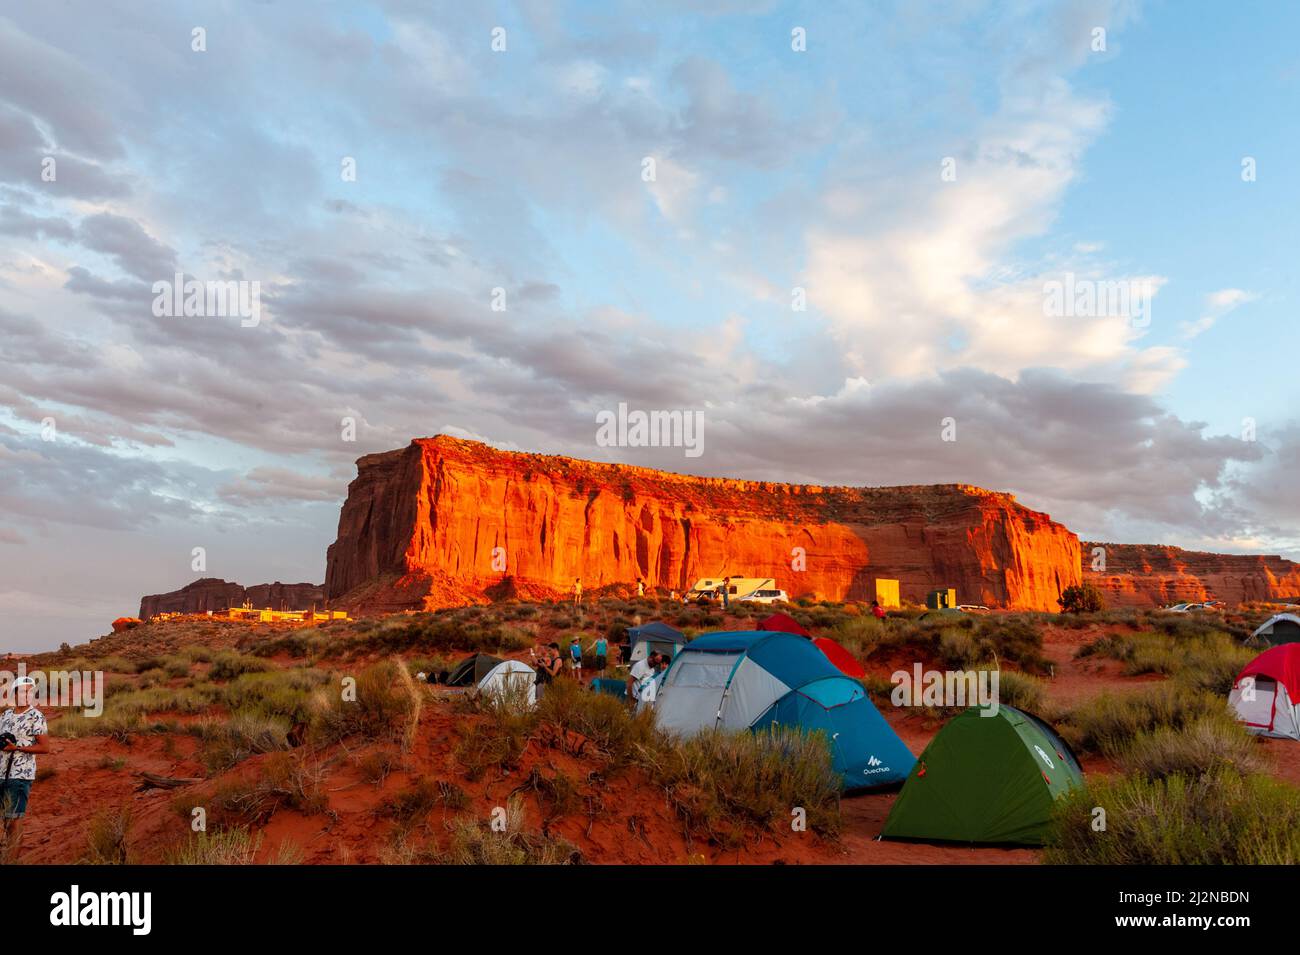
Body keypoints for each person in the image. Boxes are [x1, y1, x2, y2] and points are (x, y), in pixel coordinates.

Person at [1, 676, 49, 862]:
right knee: (6, 820)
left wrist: (18, 748)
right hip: (2, 773)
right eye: (22, 691)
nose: (26, 694)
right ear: (14, 693)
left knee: (14, 821)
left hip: (20, 775)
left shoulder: (36, 716)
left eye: (30, 691)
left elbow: (45, 748)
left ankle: (11, 861)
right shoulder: (6, 715)